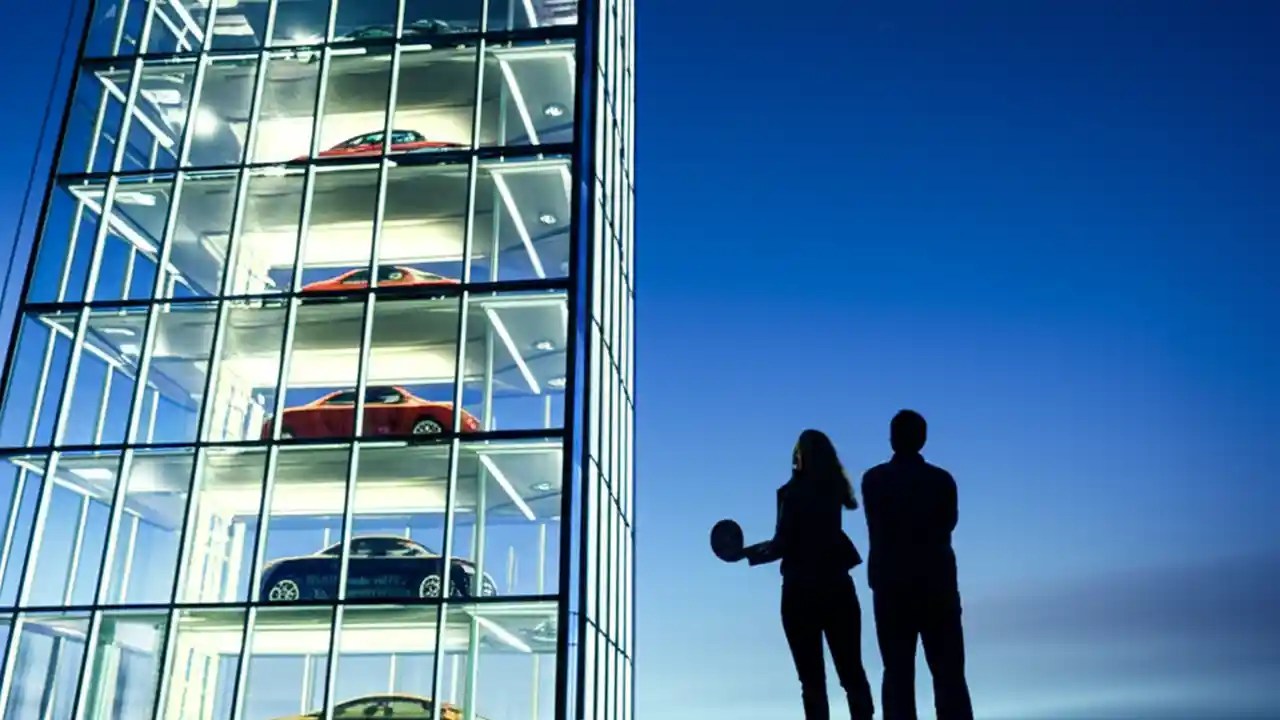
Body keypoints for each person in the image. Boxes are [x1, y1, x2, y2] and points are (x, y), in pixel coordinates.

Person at [743, 429, 875, 720]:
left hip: (800, 591)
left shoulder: (792, 494)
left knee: (812, 681)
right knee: (852, 672)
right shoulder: (832, 492)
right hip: (837, 587)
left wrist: (747, 553)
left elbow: (783, 543)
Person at [862, 410, 974, 720]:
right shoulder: (941, 481)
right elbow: (947, 523)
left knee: (898, 674)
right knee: (948, 673)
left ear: (892, 437)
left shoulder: (874, 480)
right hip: (935, 586)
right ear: (922, 439)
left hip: (893, 588)